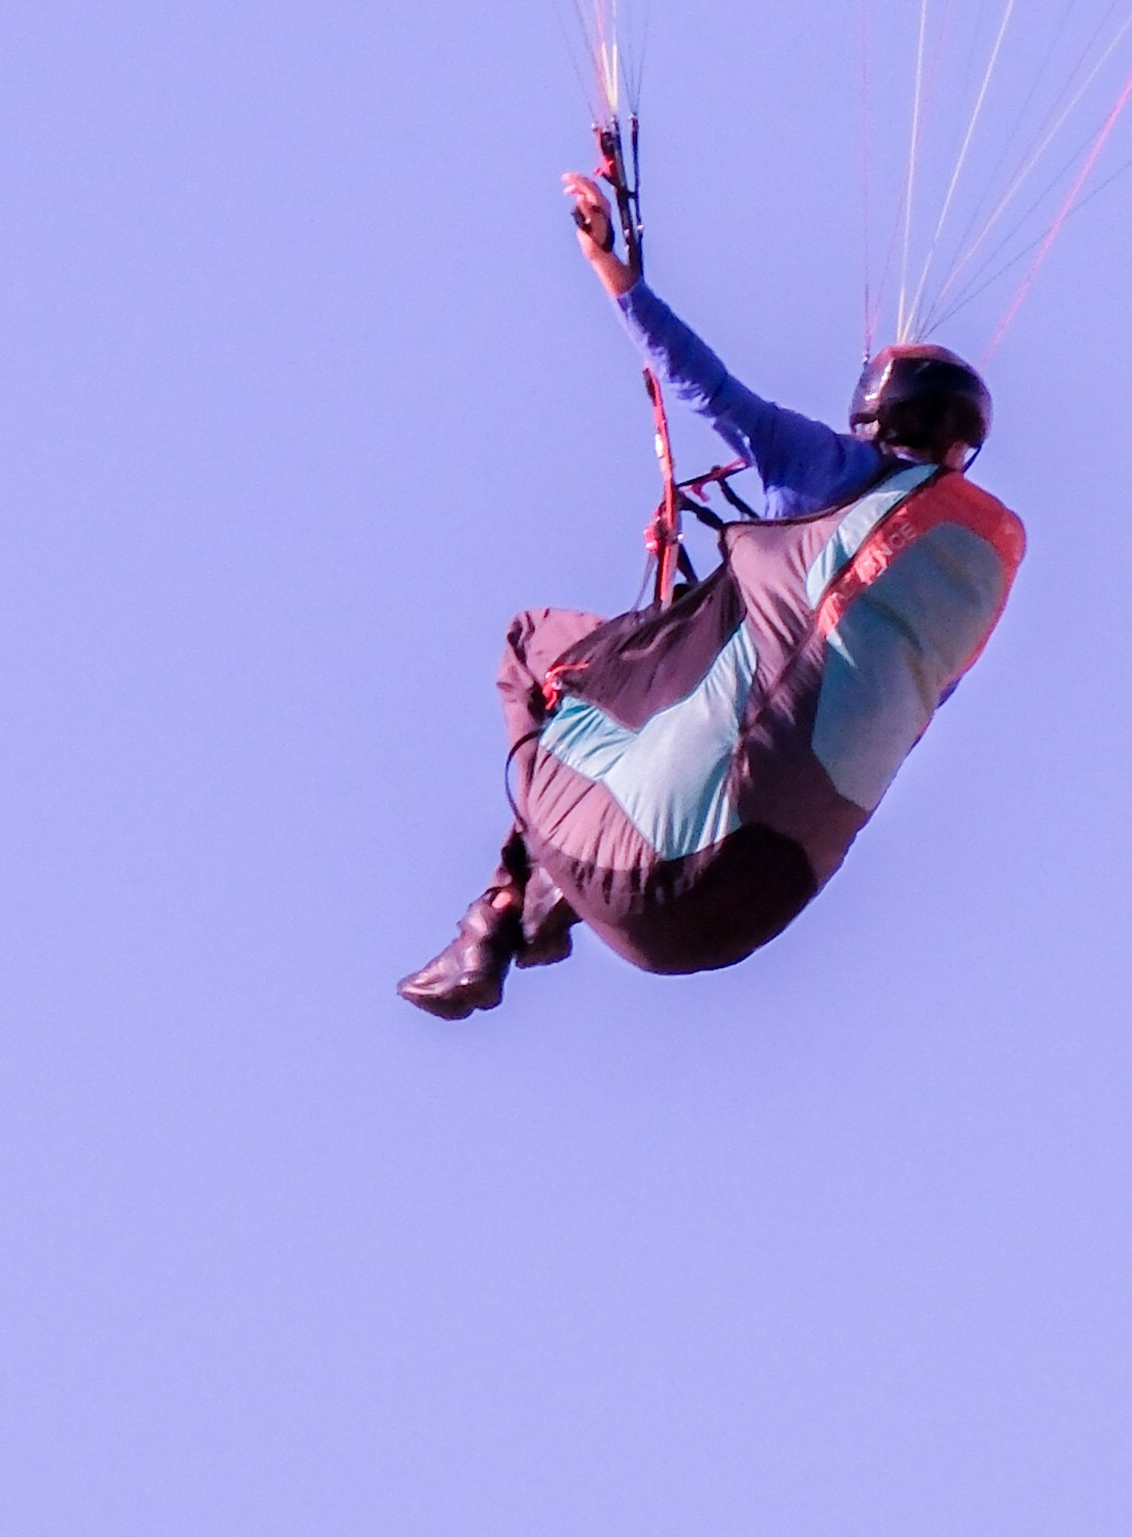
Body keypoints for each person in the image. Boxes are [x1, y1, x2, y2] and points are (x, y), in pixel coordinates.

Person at [398, 161, 1025, 1015]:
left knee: (533, 646)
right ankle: (534, 906)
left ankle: (500, 914)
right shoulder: (948, 599)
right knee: (651, 690)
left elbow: (705, 385)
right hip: (732, 922)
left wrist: (611, 270)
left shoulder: (831, 469)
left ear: (874, 414)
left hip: (632, 861)